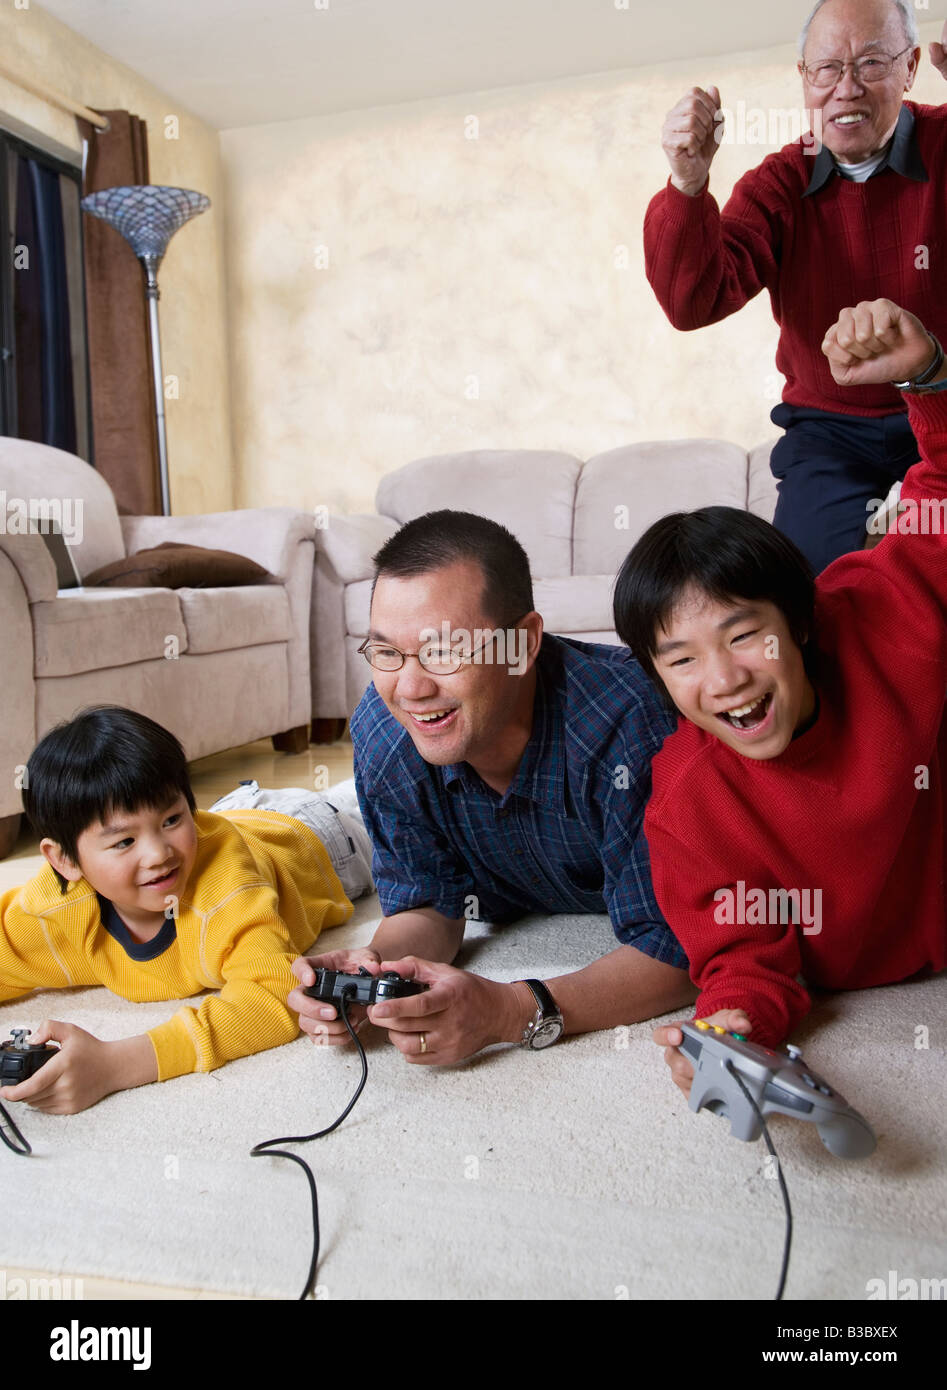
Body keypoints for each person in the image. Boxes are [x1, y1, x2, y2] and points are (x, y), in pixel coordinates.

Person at [610, 298, 947, 1095]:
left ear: (799, 623)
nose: (722, 679)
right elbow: (743, 957)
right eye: (681, 659)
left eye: (740, 635)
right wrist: (732, 1022)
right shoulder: (687, 801)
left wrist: (928, 377)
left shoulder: (871, 616)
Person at [289, 510, 695, 1065]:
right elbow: (430, 903)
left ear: (523, 642)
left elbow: (681, 946)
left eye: (444, 651)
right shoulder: (387, 731)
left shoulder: (631, 726)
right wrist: (376, 970)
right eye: (386, 652)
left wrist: (509, 1009)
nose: (410, 688)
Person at [644, 0, 947, 573]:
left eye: (872, 63)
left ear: (910, 69)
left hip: (943, 409)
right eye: (827, 68)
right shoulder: (780, 182)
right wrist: (687, 184)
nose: (847, 88)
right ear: (804, 78)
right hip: (832, 434)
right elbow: (692, 301)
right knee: (808, 600)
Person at [0, 706, 371, 1114]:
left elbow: (276, 993)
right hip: (229, 814)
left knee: (383, 796)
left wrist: (114, 1065)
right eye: (124, 842)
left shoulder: (228, 890)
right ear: (64, 861)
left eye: (172, 819)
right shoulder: (55, 911)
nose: (159, 855)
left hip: (318, 837)